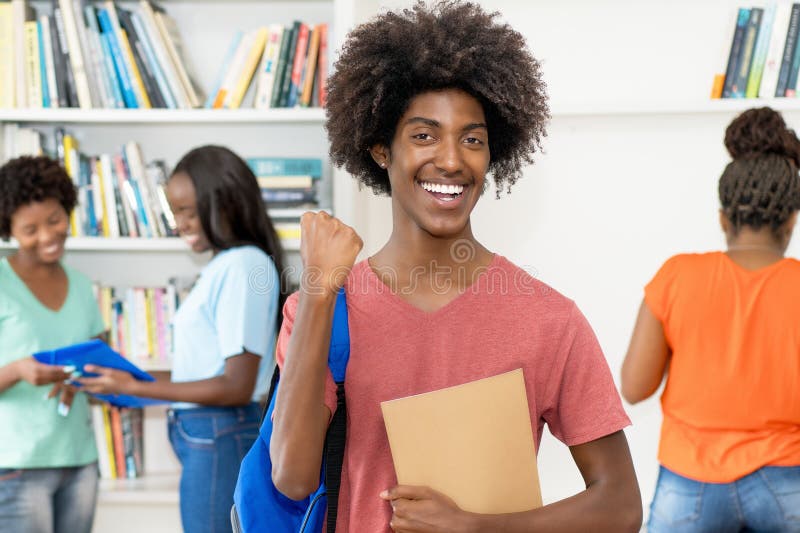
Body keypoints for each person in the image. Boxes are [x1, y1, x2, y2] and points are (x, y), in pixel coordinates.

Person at [270, 2, 642, 531]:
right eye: (424, 135)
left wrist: (477, 527)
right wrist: (317, 291)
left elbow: (622, 505)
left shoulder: (548, 320)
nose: (451, 159)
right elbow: (292, 475)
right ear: (381, 149)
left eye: (472, 139)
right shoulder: (325, 306)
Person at [78, 145, 288, 533]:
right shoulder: (226, 265)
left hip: (220, 431)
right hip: (209, 433)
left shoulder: (244, 264)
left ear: (224, 203)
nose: (178, 224)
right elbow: (206, 372)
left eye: (188, 212)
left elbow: (236, 386)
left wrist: (132, 385)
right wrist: (125, 384)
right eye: (175, 212)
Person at [621, 106, 800, 532]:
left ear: (723, 217)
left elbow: (634, 387)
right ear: (791, 219)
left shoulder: (678, 275)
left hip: (690, 480)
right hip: (788, 478)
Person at [0, 155, 106, 533]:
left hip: (80, 460)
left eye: (55, 220)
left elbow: (100, 361)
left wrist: (80, 377)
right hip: (16, 464)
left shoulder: (80, 284)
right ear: (8, 229)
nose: (47, 236)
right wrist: (16, 370)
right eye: (30, 229)